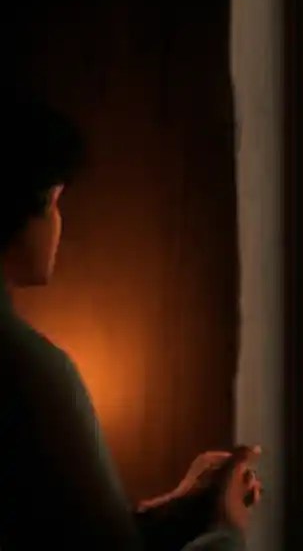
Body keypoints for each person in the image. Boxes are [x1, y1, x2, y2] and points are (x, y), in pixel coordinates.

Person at [0, 91, 262, 549]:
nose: (60, 223)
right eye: (56, 202)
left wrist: (180, 505)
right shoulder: (34, 374)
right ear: (21, 208)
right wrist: (226, 530)